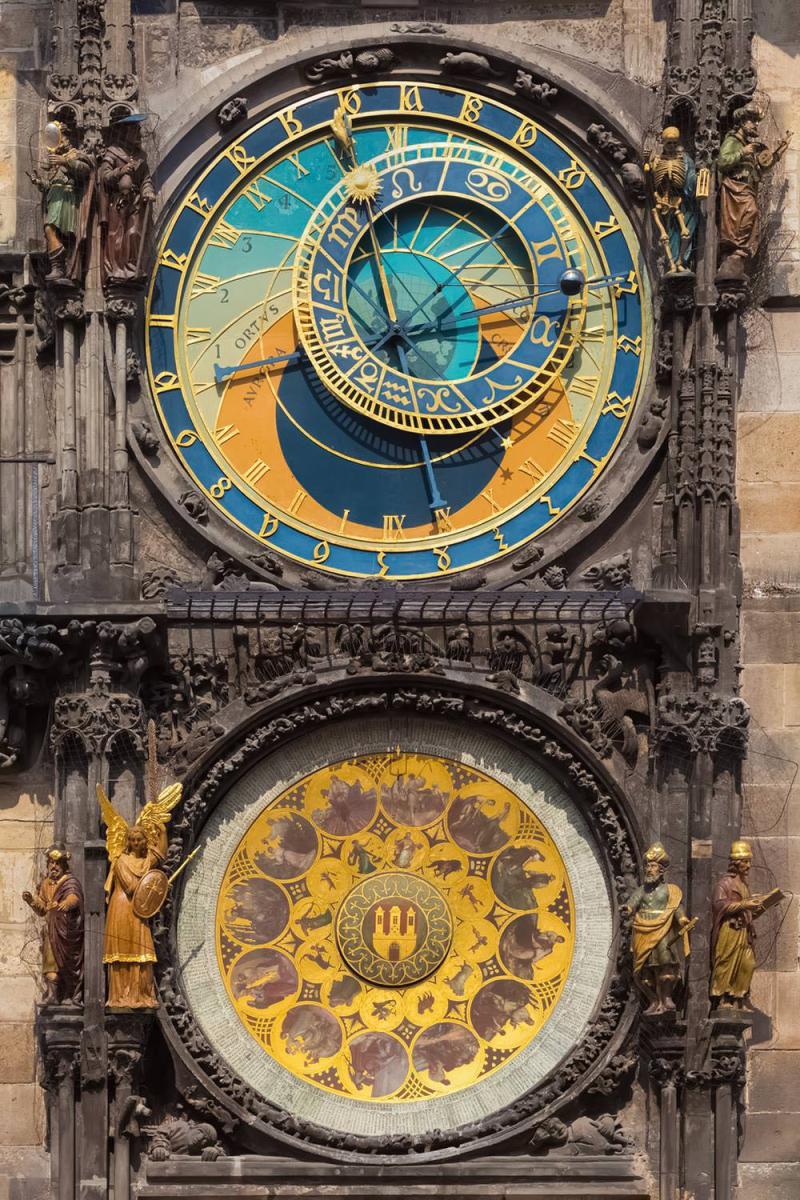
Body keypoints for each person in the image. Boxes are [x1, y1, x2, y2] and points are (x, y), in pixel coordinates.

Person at [97, 780, 182, 1007]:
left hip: (138, 910)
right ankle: (120, 996)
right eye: (132, 839)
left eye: (139, 839)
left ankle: (141, 995)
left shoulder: (146, 860)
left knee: (143, 952)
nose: (135, 843)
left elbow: (160, 855)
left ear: (144, 841)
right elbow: (133, 888)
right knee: (122, 951)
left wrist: (162, 830)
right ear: (128, 841)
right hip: (124, 906)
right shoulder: (121, 861)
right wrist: (151, 887)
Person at [717, 104, 791, 277]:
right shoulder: (733, 141)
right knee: (751, 211)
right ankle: (734, 249)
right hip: (735, 188)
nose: (755, 125)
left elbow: (760, 167)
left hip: (747, 189)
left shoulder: (748, 145)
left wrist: (779, 151)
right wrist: (742, 152)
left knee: (751, 214)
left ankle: (739, 249)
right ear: (742, 122)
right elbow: (722, 162)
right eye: (752, 121)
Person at [623, 843, 691, 1016]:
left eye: (653, 866)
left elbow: (676, 907)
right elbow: (632, 903)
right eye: (647, 866)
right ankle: (653, 999)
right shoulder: (642, 890)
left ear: (661, 870)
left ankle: (666, 998)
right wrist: (627, 909)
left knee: (665, 963)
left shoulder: (670, 891)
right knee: (643, 970)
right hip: (642, 930)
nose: (648, 869)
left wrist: (682, 919)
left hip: (663, 930)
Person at [30, 121, 92, 284]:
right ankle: (59, 266)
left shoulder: (73, 154)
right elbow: (50, 184)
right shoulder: (54, 160)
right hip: (54, 196)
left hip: (66, 197)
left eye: (61, 137)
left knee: (51, 228)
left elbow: (85, 170)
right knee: (52, 230)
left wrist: (65, 162)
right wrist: (39, 182)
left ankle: (60, 263)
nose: (59, 141)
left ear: (67, 137)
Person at [97, 114, 155, 283]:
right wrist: (121, 171)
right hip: (118, 202)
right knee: (117, 235)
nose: (138, 134)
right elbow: (104, 176)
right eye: (135, 130)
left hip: (136, 202)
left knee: (134, 233)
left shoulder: (140, 156)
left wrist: (148, 192)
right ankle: (117, 269)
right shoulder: (113, 152)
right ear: (126, 132)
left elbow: (146, 179)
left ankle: (132, 267)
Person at [22, 846, 84, 1004]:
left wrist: (67, 903)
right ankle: (52, 995)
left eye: (57, 863)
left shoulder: (70, 882)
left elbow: (74, 896)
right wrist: (31, 901)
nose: (54, 866)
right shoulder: (45, 884)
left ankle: (70, 994)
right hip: (51, 930)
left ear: (64, 865)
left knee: (67, 962)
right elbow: (42, 909)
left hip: (66, 930)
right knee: (50, 962)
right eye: (51, 863)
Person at [710, 839, 767, 1007]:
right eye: (745, 862)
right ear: (736, 863)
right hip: (730, 930)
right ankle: (723, 997)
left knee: (748, 963)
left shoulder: (743, 885)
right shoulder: (725, 883)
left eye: (749, 862)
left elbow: (746, 909)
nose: (748, 866)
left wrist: (761, 904)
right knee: (726, 962)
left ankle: (738, 996)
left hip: (744, 931)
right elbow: (719, 905)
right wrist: (745, 904)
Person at [644, 126, 698, 273]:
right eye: (669, 143)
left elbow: (691, 177)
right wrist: (647, 166)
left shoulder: (685, 160)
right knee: (667, 233)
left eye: (675, 143)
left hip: (681, 202)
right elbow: (651, 186)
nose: (672, 146)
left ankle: (681, 261)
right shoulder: (656, 160)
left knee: (686, 231)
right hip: (662, 202)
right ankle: (671, 263)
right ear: (663, 143)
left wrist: (698, 178)